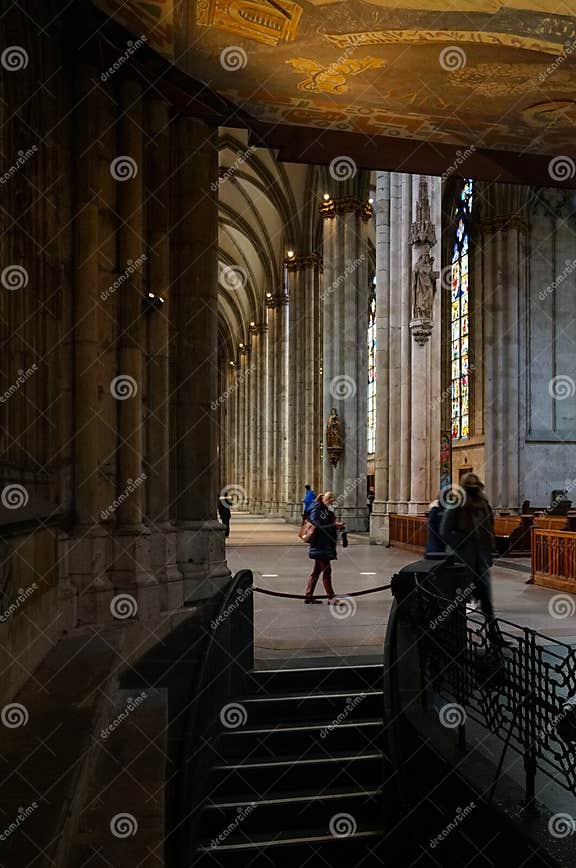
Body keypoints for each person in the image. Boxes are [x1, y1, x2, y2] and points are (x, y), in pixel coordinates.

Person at [440, 473, 508, 646]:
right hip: (462, 559)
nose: (473, 488)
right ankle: (455, 637)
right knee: (459, 599)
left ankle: (494, 634)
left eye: (475, 484)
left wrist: (489, 551)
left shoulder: (484, 504)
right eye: (469, 485)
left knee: (486, 598)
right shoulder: (457, 504)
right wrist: (462, 544)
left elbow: (488, 528)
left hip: (480, 557)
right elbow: (445, 531)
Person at [304, 491, 344, 605]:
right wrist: (334, 526)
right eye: (330, 502)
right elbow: (318, 527)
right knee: (327, 571)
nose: (331, 504)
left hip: (323, 544)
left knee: (316, 571)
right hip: (320, 544)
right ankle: (331, 598)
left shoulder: (323, 509)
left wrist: (335, 526)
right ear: (325, 500)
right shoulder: (317, 509)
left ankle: (308, 595)